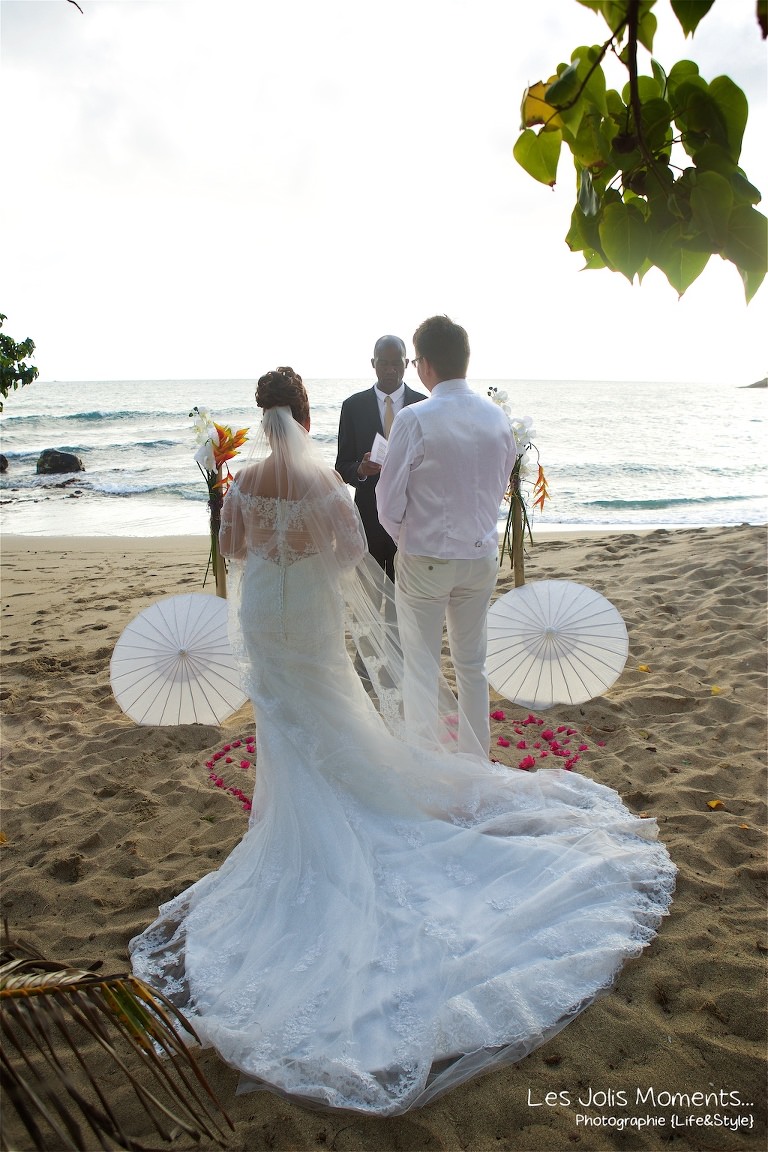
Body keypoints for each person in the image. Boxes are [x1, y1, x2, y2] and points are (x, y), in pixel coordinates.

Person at [129, 366, 675, 1118]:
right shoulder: (321, 485)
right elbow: (354, 553)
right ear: (308, 412)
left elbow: (234, 552)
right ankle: (361, 798)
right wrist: (309, 558)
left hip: (263, 612)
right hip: (312, 613)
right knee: (330, 710)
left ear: (259, 417)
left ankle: (299, 820)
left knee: (286, 722)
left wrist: (234, 512)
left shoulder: (246, 478)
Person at [376, 315, 516, 757]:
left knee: (421, 667)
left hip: (426, 558)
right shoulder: (498, 419)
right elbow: (499, 485)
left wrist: (409, 538)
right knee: (472, 666)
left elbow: (388, 498)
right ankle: (476, 762)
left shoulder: (415, 418)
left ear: (426, 365)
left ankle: (426, 767)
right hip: (479, 558)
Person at [335, 335, 425, 580]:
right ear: (372, 363)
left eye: (396, 363)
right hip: (368, 515)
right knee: (371, 593)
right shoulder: (353, 406)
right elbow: (341, 467)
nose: (390, 370)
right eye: (383, 363)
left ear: (407, 363)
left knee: (404, 595)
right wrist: (361, 470)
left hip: (410, 516)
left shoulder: (423, 405)